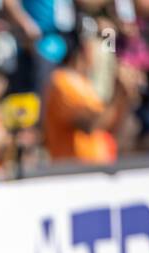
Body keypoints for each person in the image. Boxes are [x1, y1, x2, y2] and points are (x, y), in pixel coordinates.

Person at [42, 20, 136, 165]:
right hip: (73, 172)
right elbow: (90, 125)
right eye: (95, 43)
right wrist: (117, 92)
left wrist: (126, 96)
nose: (100, 52)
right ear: (85, 48)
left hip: (100, 168)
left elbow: (111, 128)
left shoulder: (87, 85)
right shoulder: (62, 81)